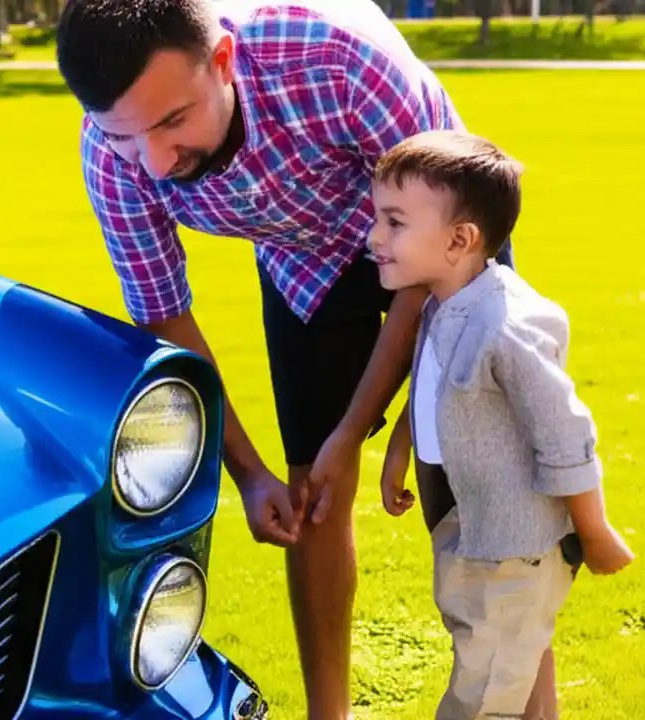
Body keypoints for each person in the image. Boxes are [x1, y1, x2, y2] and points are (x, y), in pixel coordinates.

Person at [55, 1, 516, 717]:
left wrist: (367, 427)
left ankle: (518, 700)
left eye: (173, 121)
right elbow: (164, 311)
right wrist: (248, 472)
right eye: (125, 135)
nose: (155, 160)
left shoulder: (337, 59)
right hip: (307, 262)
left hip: (444, 238)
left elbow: (437, 255)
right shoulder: (110, 162)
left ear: (224, 64)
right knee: (313, 496)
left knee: (470, 480)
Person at [367, 129, 636, 719]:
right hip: (469, 529)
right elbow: (434, 381)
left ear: (459, 239)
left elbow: (565, 433)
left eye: (393, 223)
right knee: (500, 659)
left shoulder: (503, 326)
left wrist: (593, 533)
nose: (373, 238)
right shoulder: (441, 300)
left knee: (482, 697)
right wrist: (398, 448)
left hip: (515, 551)